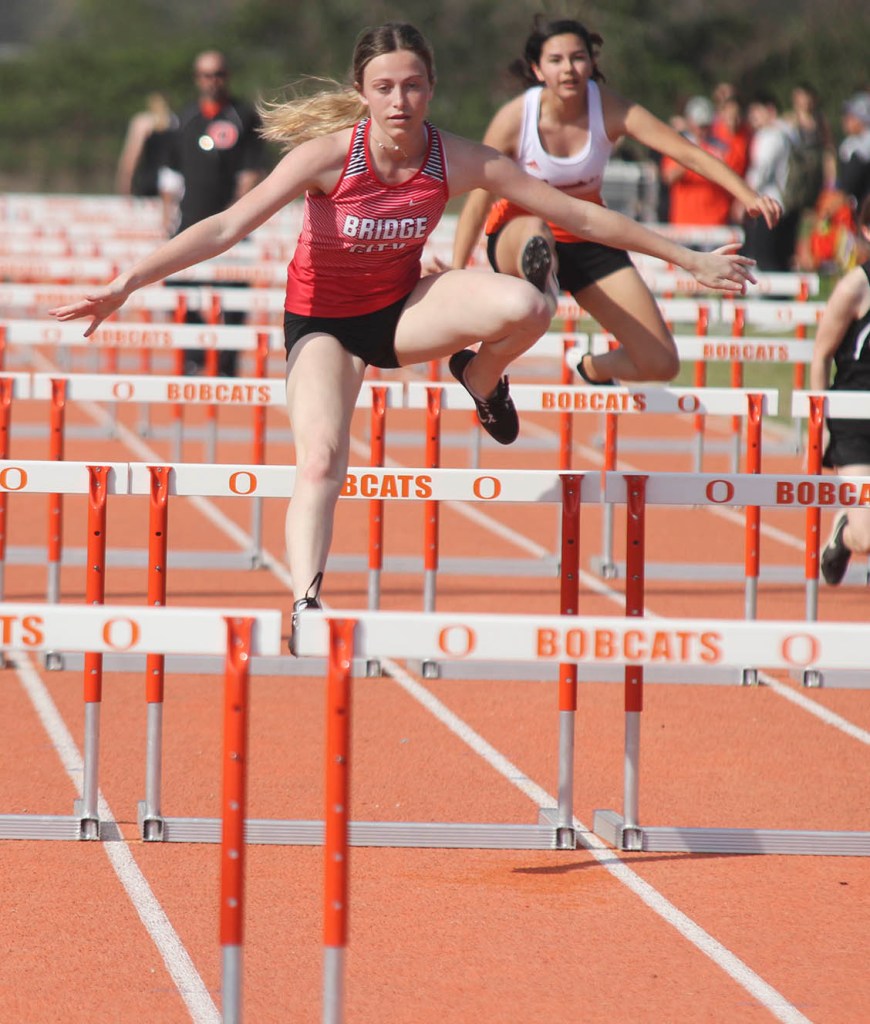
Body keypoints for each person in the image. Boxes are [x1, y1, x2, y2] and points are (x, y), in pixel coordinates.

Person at [48, 22, 756, 640]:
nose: (398, 102)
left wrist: (687, 258)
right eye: (384, 87)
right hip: (323, 324)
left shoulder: (457, 159)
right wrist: (128, 282)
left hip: (401, 312)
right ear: (362, 91)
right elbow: (226, 227)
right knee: (322, 458)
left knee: (529, 305)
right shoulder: (330, 156)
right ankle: (306, 600)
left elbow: (584, 216)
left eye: (412, 86)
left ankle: (479, 375)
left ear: (432, 88)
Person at [448, 16, 779, 387]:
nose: (569, 69)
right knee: (537, 234)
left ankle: (592, 367)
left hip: (588, 237)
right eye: (556, 60)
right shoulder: (514, 120)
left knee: (661, 362)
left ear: (592, 63)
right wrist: (456, 274)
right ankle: (542, 286)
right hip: (519, 232)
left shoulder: (611, 109)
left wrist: (746, 194)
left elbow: (687, 153)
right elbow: (478, 200)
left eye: (578, 58)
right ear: (538, 69)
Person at [164, 50, 267, 376]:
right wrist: (167, 218)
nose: (213, 81)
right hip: (189, 221)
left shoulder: (243, 116)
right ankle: (194, 358)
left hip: (233, 222)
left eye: (219, 73)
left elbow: (251, 171)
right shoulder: (184, 117)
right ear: (198, 78)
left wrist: (236, 215)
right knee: (178, 291)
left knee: (234, 298)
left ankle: (226, 365)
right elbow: (170, 174)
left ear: (227, 75)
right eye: (207, 75)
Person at [811, 196, 870, 585]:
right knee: (867, 537)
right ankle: (847, 530)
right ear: (866, 231)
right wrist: (818, 425)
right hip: (854, 420)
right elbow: (820, 356)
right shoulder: (856, 286)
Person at [660, 95, 740, 226]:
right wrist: (693, 156)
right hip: (684, 222)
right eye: (699, 125)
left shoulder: (723, 148)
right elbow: (669, 177)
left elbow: (733, 180)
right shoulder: (678, 145)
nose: (702, 130)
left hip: (716, 221)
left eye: (706, 126)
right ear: (690, 122)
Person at [115, 93, 180, 234]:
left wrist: (124, 184)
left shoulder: (143, 122)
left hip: (149, 180)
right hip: (172, 183)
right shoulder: (177, 122)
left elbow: (131, 156)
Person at [836, 91, 870, 215]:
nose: (845, 120)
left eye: (850, 116)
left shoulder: (861, 147)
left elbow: (849, 186)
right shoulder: (854, 141)